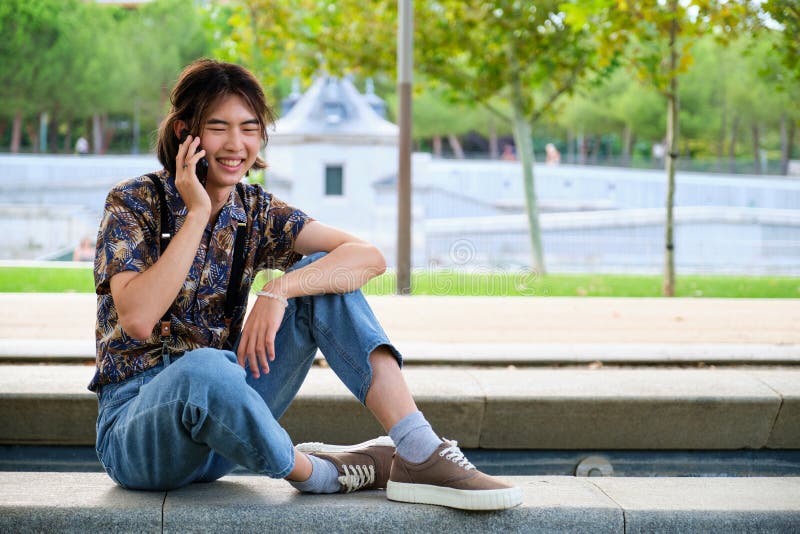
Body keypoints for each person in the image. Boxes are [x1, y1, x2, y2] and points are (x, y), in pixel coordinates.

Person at [89, 58, 521, 511]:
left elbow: (367, 257)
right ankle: (319, 473)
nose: (236, 144)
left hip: (221, 433)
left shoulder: (253, 210)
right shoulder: (134, 201)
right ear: (184, 133)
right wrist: (196, 214)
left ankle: (419, 451)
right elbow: (138, 320)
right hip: (137, 436)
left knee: (322, 278)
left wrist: (281, 289)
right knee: (207, 369)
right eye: (218, 128)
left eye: (249, 128)